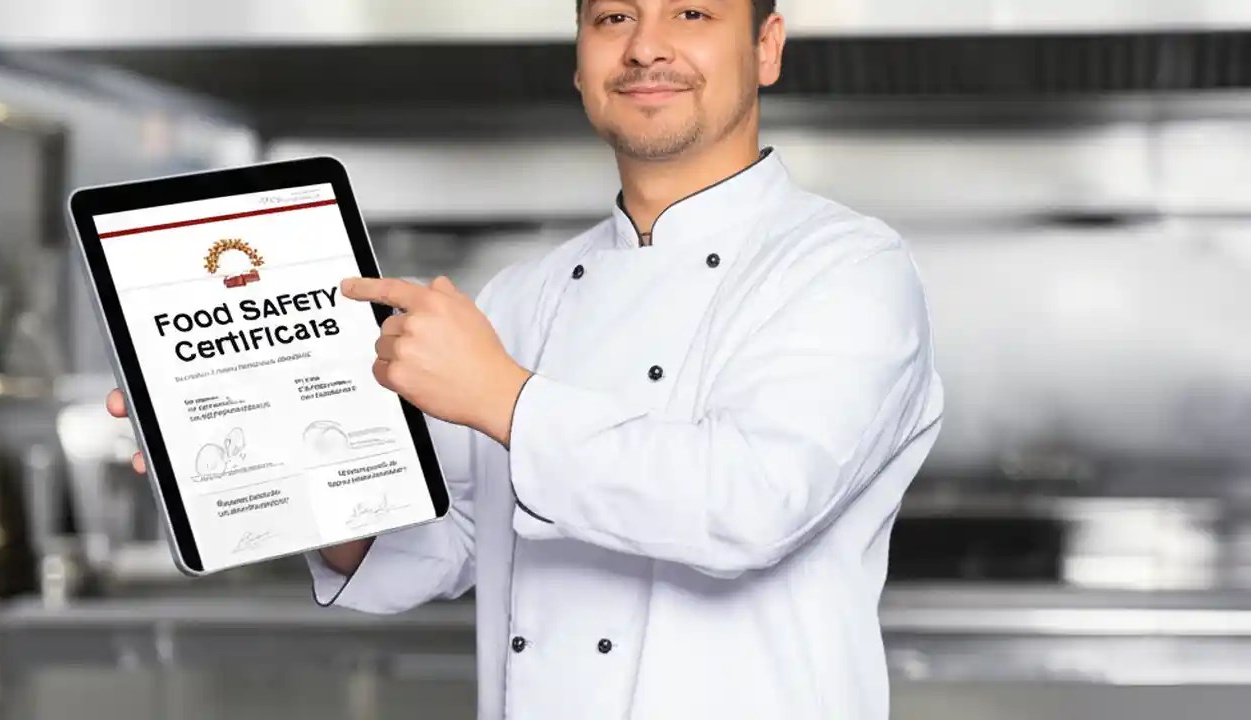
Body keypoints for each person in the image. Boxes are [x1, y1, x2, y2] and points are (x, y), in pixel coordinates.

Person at [107, 0, 944, 717]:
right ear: (580, 64)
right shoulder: (523, 295)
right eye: (612, 17)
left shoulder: (847, 267)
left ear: (765, 48)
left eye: (691, 12)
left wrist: (502, 397)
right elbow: (452, 540)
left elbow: (749, 502)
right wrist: (261, 459)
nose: (646, 44)